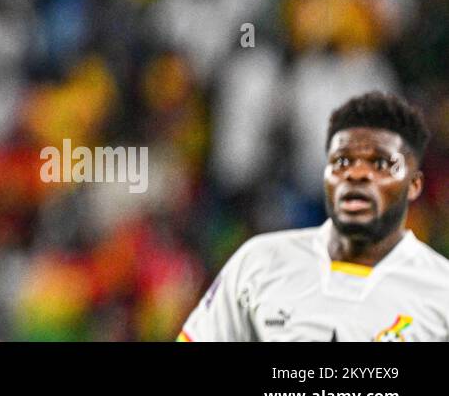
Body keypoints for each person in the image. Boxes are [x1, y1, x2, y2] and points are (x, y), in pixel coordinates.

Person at [179, 91, 449, 341]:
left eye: (380, 163)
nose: (356, 174)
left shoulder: (440, 288)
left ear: (414, 184)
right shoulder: (259, 263)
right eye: (342, 161)